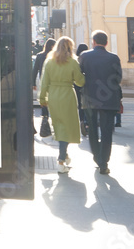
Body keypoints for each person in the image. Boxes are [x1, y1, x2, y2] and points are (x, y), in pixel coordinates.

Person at [79, 30, 123, 175]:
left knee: (92, 129)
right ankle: (104, 161)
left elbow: (79, 78)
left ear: (93, 41)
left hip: (90, 99)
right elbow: (118, 78)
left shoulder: (84, 56)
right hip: (109, 99)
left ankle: (97, 158)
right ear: (106, 42)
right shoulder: (114, 58)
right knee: (106, 131)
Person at [39, 36, 85, 173]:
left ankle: (64, 155)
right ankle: (61, 160)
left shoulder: (49, 62)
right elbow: (80, 82)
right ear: (70, 48)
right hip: (67, 96)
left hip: (53, 96)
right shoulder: (72, 62)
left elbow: (44, 82)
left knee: (58, 126)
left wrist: (42, 98)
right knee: (67, 127)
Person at [31, 38, 56, 133]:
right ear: (52, 46)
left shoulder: (40, 55)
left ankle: (45, 121)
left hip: (43, 82)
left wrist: (33, 83)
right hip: (54, 82)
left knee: (44, 101)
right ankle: (53, 121)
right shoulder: (55, 56)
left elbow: (35, 70)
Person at [75, 42, 89, 136]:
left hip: (76, 84)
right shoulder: (88, 58)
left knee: (79, 104)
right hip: (86, 84)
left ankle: (81, 120)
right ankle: (86, 122)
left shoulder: (76, 60)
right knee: (86, 104)